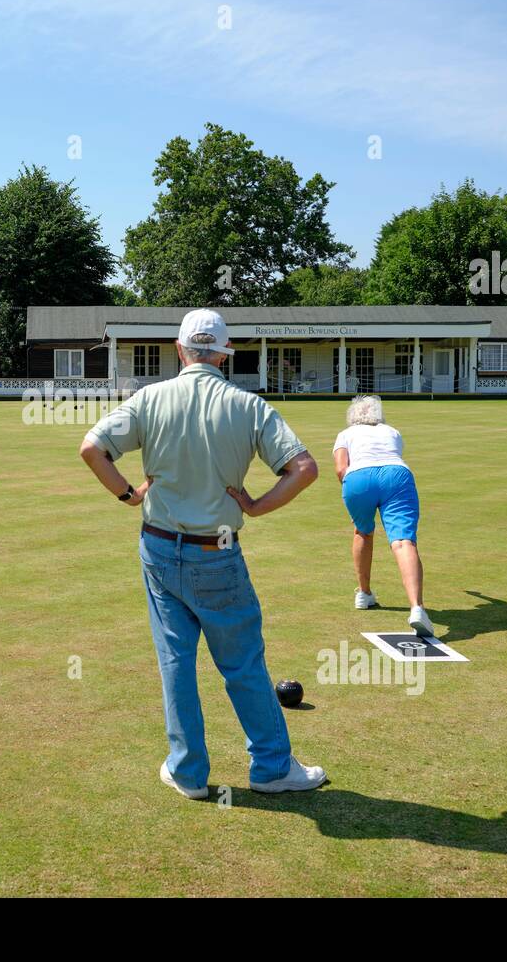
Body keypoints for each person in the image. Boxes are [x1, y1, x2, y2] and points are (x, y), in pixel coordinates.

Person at [79, 308, 324, 799]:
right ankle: (272, 768)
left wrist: (130, 496)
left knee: (176, 662)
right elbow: (304, 469)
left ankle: (188, 772)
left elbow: (92, 448)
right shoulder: (248, 405)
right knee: (243, 665)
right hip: (218, 551)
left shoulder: (150, 398)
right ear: (223, 353)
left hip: (159, 548)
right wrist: (255, 507)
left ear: (180, 349)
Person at [332, 395, 433, 635]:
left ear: (352, 415)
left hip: (357, 478)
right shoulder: (392, 431)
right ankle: (417, 608)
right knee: (403, 541)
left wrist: (352, 489)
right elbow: (389, 457)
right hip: (397, 475)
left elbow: (340, 468)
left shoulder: (345, 434)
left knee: (362, 531)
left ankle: (364, 593)